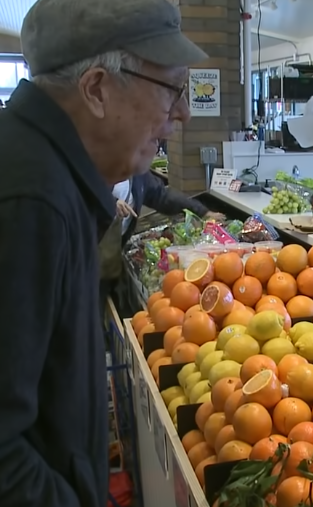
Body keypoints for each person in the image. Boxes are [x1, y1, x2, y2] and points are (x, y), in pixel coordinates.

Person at [0, 0, 207, 504]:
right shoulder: (30, 201)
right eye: (172, 89)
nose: (181, 112)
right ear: (96, 89)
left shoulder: (47, 173)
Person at [99, 171, 225, 306]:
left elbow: (162, 196)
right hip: (86, 249)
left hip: (110, 251)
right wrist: (110, 203)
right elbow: (81, 192)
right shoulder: (100, 164)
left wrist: (202, 211)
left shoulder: (137, 174)